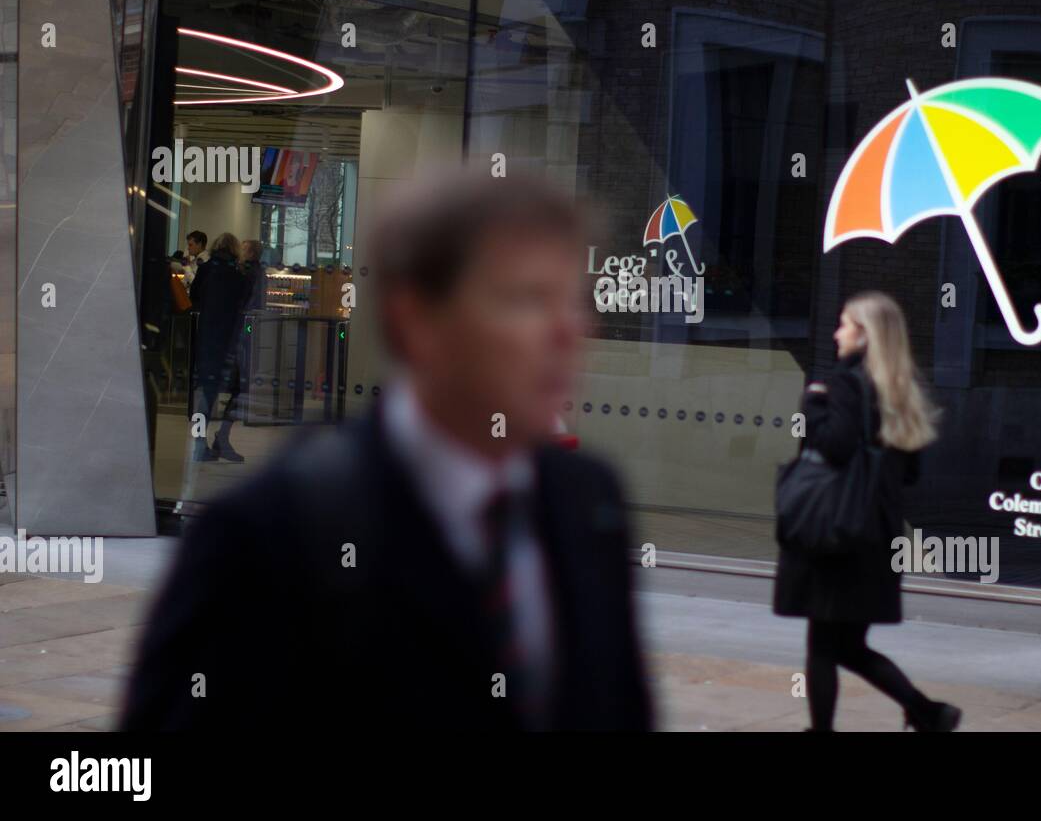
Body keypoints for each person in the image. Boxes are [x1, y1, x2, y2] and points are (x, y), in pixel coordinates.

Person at [121, 171, 652, 731]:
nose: (568, 333)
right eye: (526, 300)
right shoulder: (265, 537)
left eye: (572, 302)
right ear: (417, 319)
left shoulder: (587, 500)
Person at [774, 291, 961, 732]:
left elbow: (834, 446)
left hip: (835, 533)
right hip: (875, 535)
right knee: (848, 644)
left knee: (823, 643)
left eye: (844, 324)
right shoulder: (899, 393)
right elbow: (910, 472)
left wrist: (814, 402)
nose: (837, 332)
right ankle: (929, 713)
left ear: (864, 335)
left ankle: (828, 730)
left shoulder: (844, 384)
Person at [187, 232, 248, 463]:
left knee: (204, 393)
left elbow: (195, 297)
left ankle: (199, 442)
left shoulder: (205, 270)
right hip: (228, 340)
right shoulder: (237, 275)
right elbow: (242, 303)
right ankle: (219, 438)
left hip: (205, 338)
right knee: (237, 388)